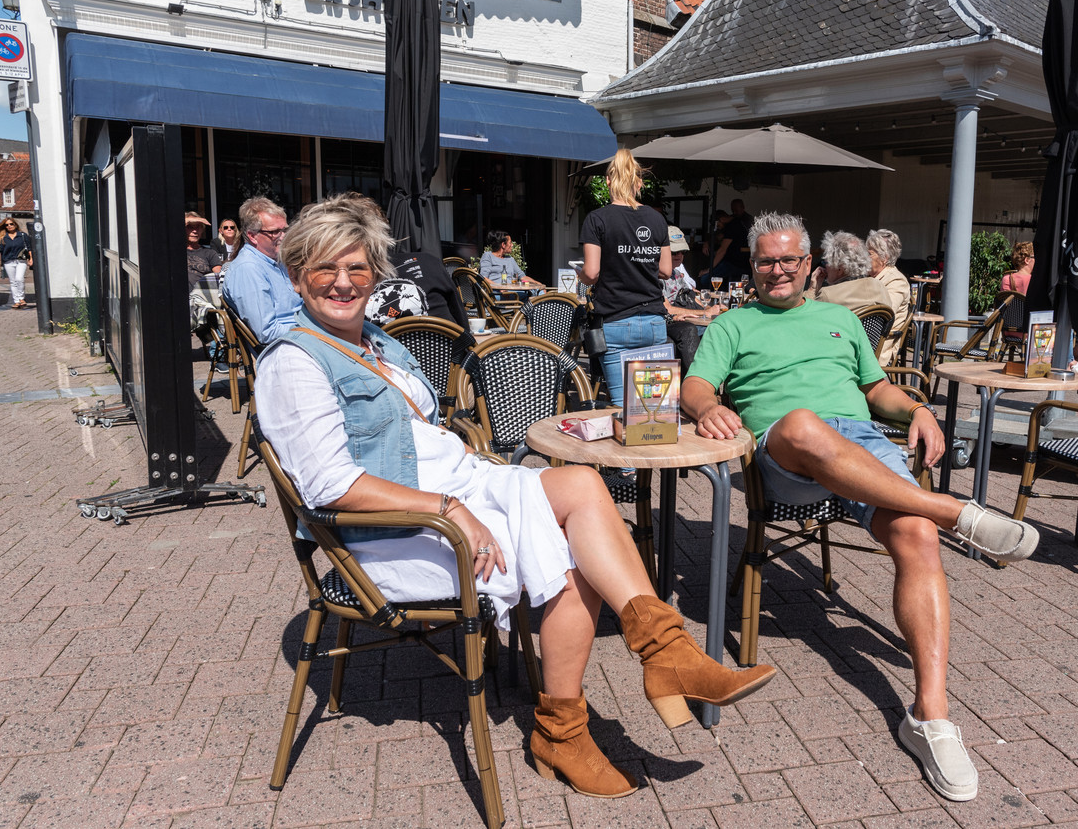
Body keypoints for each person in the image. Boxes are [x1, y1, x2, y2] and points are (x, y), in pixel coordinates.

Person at [255, 194, 775, 799]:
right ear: (296, 275)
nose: (343, 283)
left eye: (358, 269)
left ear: (375, 274)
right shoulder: (295, 364)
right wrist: (451, 511)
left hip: (457, 487)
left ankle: (665, 651)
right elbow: (330, 486)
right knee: (573, 551)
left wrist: (462, 484)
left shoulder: (372, 339)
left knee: (583, 485)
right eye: (325, 269)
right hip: (393, 531)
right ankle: (563, 729)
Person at [682, 211, 1042, 803]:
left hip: (861, 444)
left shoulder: (840, 320)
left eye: (788, 260)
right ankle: (957, 513)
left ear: (808, 267)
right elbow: (697, 385)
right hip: (787, 456)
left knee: (917, 537)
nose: (777, 270)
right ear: (753, 265)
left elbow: (875, 390)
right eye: (766, 260)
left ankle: (930, 716)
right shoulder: (733, 324)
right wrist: (704, 409)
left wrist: (917, 409)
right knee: (803, 424)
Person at [578, 149, 672, 405]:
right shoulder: (657, 219)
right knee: (652, 405)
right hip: (654, 321)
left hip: (616, 321)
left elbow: (592, 272)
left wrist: (581, 275)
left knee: (625, 408)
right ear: (638, 182)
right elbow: (666, 270)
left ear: (608, 181)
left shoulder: (597, 219)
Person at [221, 197, 302, 345]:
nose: (284, 236)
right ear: (253, 236)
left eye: (285, 229)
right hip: (284, 346)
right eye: (275, 232)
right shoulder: (248, 269)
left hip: (300, 334)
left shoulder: (278, 260)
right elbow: (267, 332)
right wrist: (314, 331)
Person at [806, 231, 895, 330]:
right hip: (872, 345)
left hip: (841, 345)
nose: (824, 266)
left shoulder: (828, 296)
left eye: (826, 261)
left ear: (840, 268)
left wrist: (812, 289)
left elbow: (806, 321)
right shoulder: (880, 287)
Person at [663, 225, 722, 371]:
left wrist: (710, 309)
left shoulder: (676, 273)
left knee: (719, 329)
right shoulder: (654, 275)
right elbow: (667, 309)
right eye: (674, 252)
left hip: (684, 319)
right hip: (666, 322)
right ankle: (696, 382)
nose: (679, 256)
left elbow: (690, 295)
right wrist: (704, 313)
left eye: (682, 252)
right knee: (690, 330)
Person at [867, 228, 912, 364]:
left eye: (869, 254)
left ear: (884, 258)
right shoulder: (870, 278)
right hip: (865, 340)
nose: (863, 258)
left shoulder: (896, 281)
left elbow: (884, 314)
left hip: (877, 348)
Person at [0, 218, 33, 309]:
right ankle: (17, 301)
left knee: (19, 279)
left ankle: (22, 298)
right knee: (13, 282)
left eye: (11, 224)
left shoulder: (22, 235)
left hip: (21, 261)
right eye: (7, 225)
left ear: (15, 225)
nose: (9, 226)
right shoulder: (3, 237)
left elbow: (29, 248)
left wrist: (31, 259)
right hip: (8, 261)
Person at [702, 199, 752, 283]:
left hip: (735, 263)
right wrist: (707, 242)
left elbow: (722, 250)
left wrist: (709, 269)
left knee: (705, 279)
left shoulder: (734, 225)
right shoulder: (740, 221)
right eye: (733, 211)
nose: (735, 213)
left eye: (717, 225)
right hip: (745, 263)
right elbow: (717, 237)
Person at [185, 212, 224, 289]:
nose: (195, 231)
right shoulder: (174, 251)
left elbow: (219, 278)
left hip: (202, 297)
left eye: (198, 227)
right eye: (190, 227)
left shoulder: (209, 253)